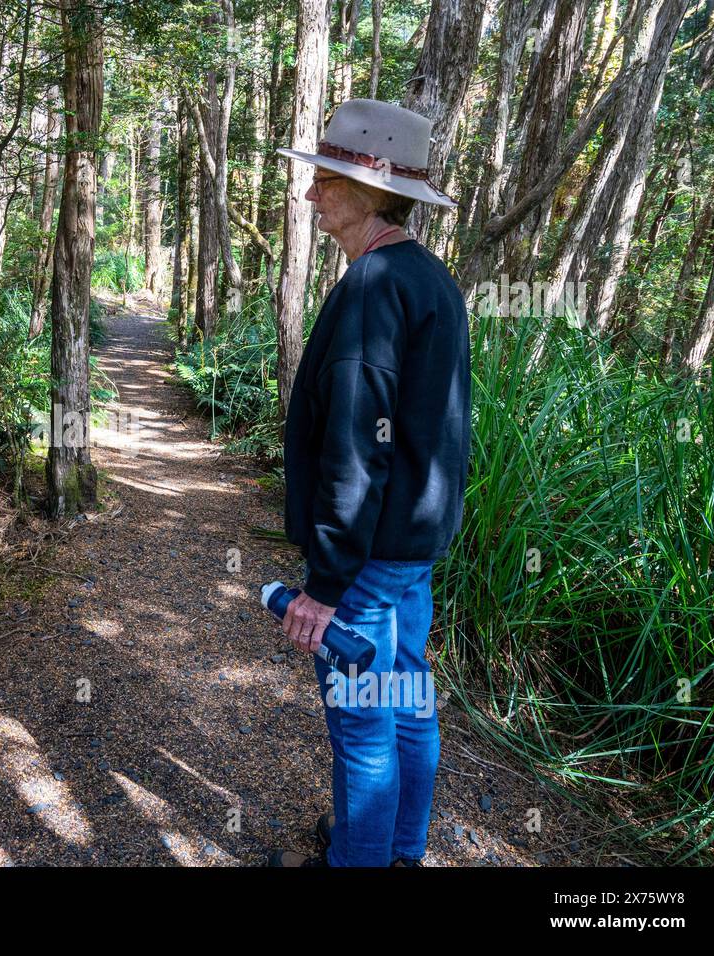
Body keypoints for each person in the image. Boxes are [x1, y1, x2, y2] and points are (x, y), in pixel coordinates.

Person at [267, 99, 471, 867]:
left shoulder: (373, 287)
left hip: (372, 561)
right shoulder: (430, 281)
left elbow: (360, 448)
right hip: (410, 551)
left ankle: (359, 856)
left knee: (364, 720)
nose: (312, 194)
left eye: (325, 180)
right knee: (406, 706)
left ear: (367, 191)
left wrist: (325, 583)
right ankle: (398, 849)